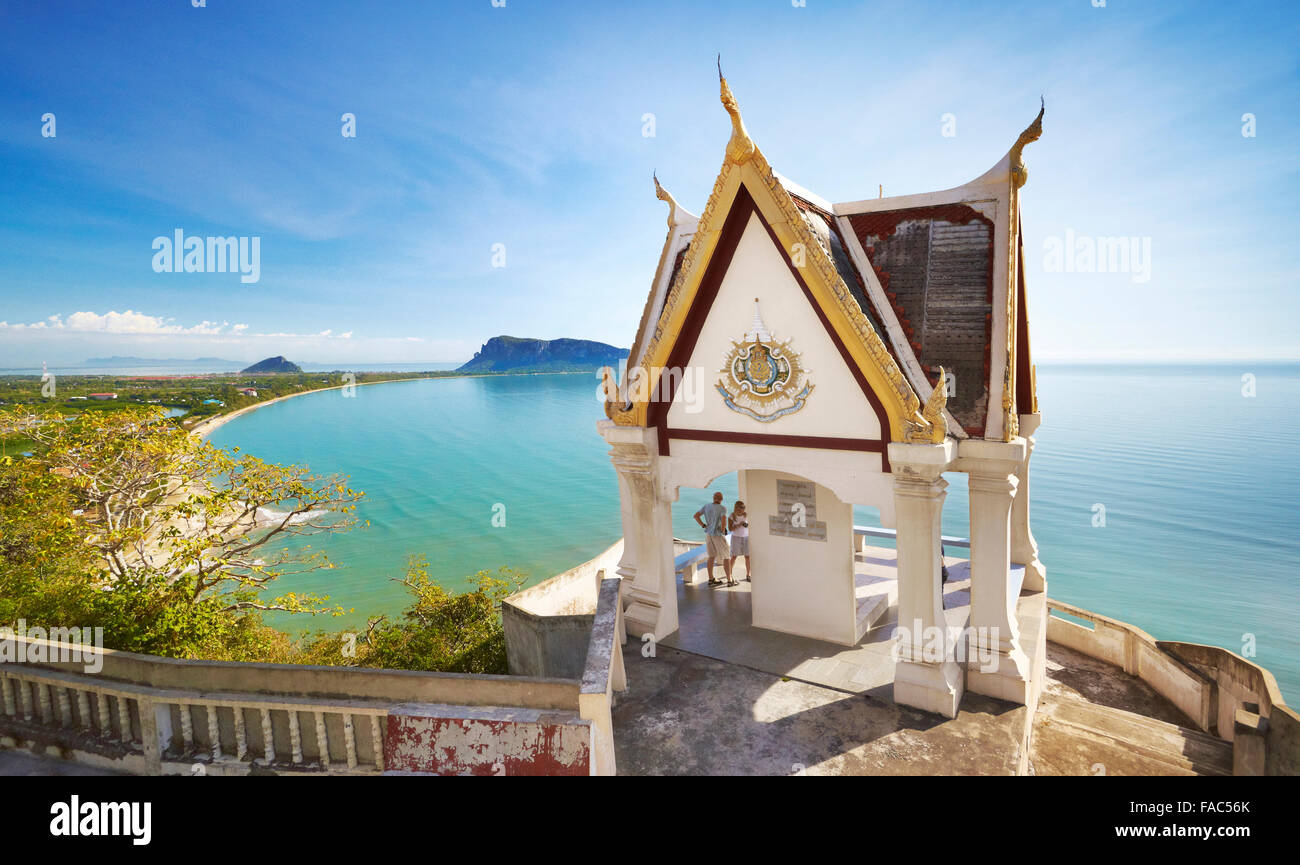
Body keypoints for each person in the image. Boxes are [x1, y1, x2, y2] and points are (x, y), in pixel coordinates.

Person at [693, 491, 732, 586]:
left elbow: (696, 516)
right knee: (726, 557)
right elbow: (723, 521)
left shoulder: (707, 506)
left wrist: (703, 525)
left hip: (708, 534)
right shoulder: (722, 508)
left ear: (713, 498)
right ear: (721, 499)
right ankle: (730, 580)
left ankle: (711, 579)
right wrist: (723, 530)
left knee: (711, 556)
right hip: (718, 535)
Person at [728, 500, 751, 582]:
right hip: (736, 538)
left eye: (744, 507)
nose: (743, 509)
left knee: (747, 557)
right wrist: (739, 524)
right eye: (741, 507)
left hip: (746, 537)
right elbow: (730, 529)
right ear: (736, 508)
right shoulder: (731, 516)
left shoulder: (746, 515)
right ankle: (729, 575)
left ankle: (748, 574)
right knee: (734, 557)